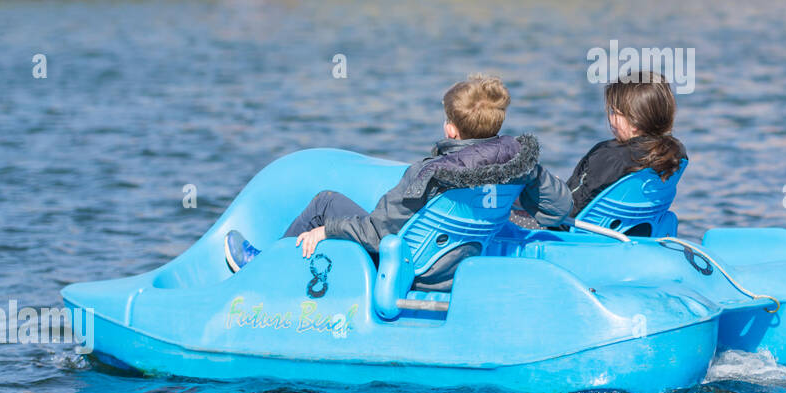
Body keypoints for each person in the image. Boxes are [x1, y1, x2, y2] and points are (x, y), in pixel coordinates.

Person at [224, 75, 572, 278]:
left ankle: (263, 270)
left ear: (451, 128)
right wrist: (521, 192)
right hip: (463, 263)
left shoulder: (430, 173)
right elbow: (558, 209)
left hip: (414, 267)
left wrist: (327, 230)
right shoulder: (520, 163)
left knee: (325, 202)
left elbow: (377, 235)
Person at [565, 72, 688, 219]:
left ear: (635, 120)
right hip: (639, 229)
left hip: (585, 235)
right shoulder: (674, 152)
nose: (610, 118)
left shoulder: (609, 156)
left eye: (614, 112)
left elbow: (570, 207)